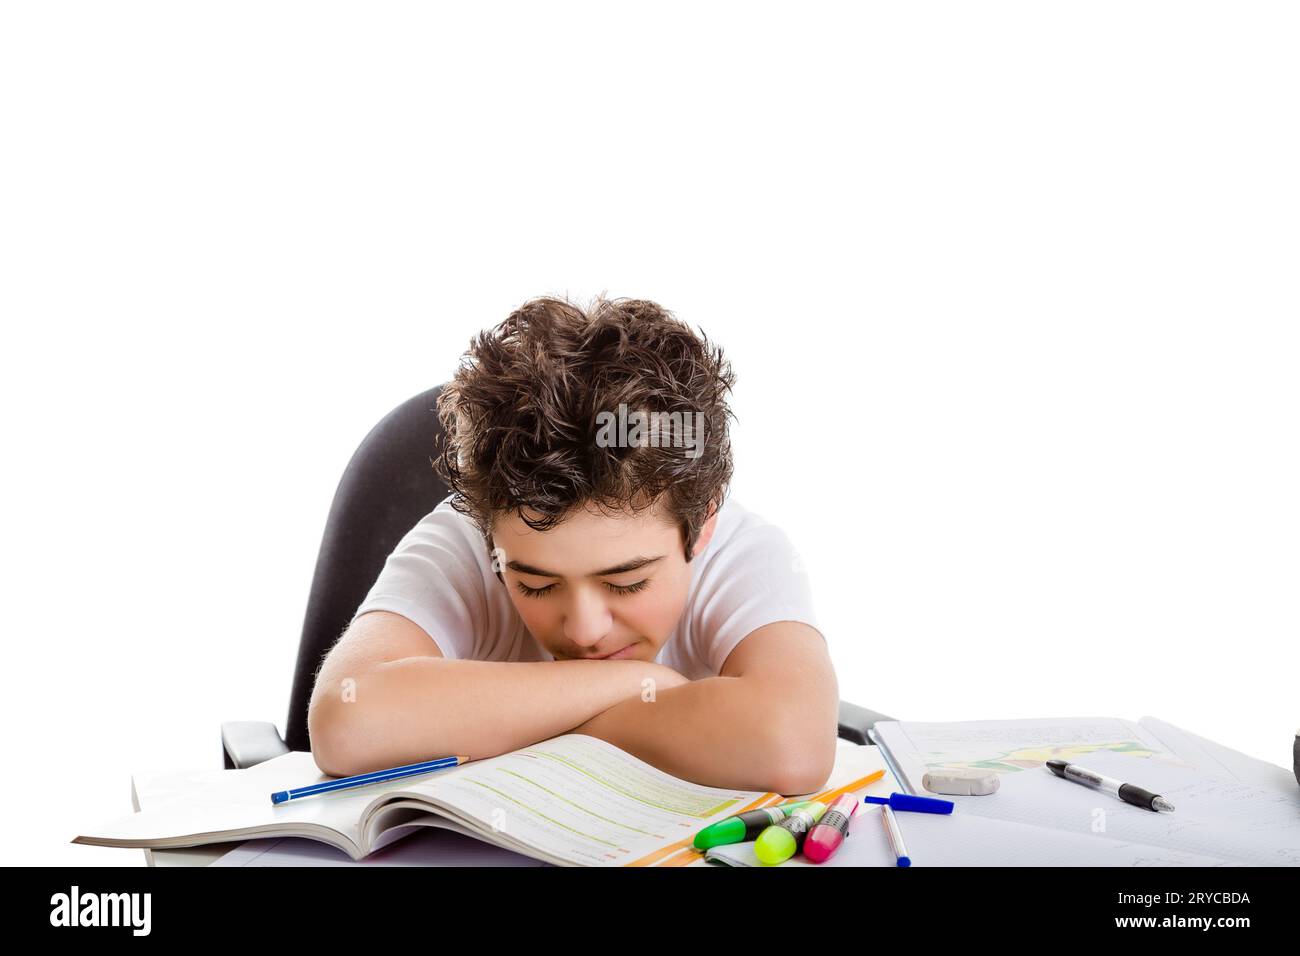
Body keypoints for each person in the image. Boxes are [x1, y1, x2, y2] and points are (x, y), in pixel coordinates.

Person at [308, 294, 838, 794]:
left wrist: (502, 727)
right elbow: (346, 719)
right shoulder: (461, 540)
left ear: (702, 525)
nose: (585, 631)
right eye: (535, 584)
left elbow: (792, 742)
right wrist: (642, 684)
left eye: (627, 582)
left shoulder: (744, 554)